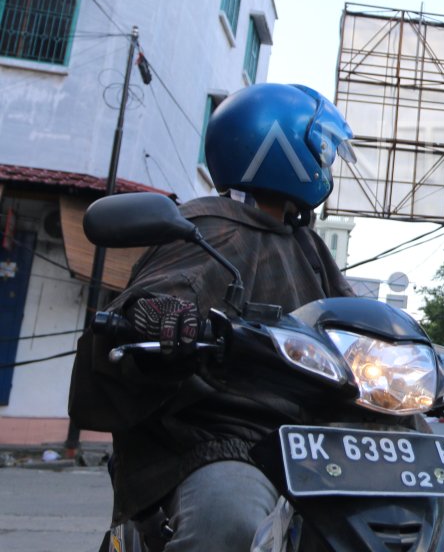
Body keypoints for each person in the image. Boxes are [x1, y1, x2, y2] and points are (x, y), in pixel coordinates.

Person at [68, 83, 359, 551]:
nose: (326, 161)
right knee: (231, 520)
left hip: (306, 438)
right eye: (321, 147)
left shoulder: (308, 247)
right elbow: (154, 297)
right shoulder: (207, 228)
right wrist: (161, 317)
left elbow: (351, 320)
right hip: (212, 439)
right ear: (282, 146)